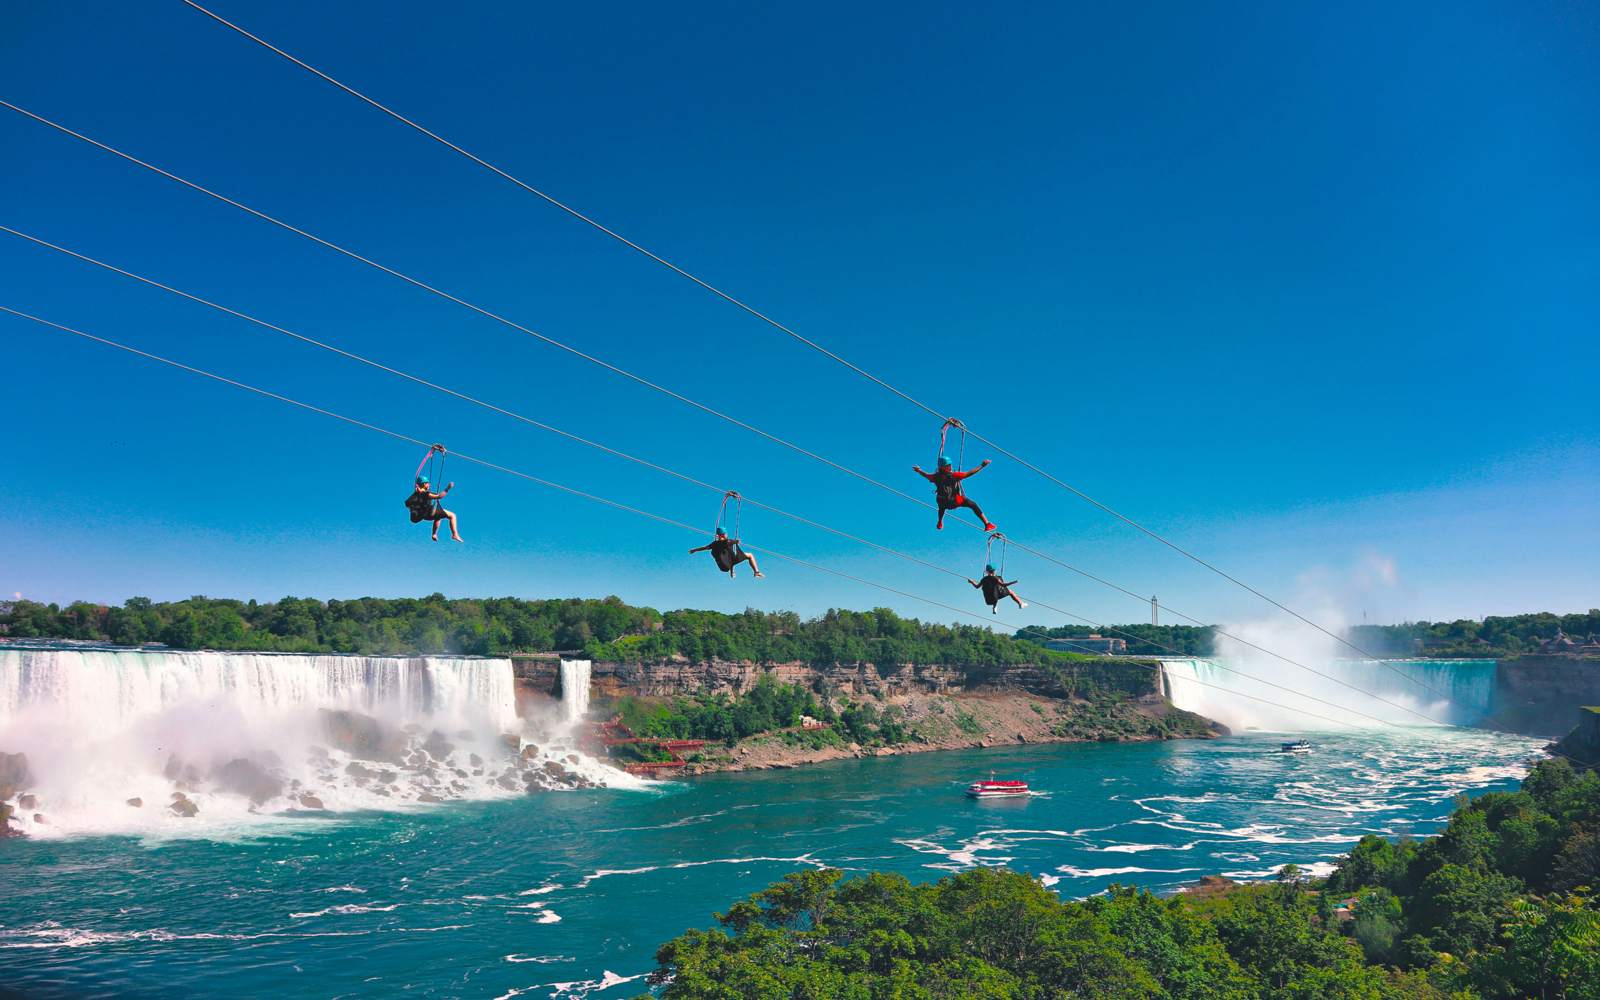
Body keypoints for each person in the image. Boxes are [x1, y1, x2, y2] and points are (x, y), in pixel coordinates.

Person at [912, 455, 996, 531]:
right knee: (973, 504)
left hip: (942, 501)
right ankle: (987, 524)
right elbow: (970, 473)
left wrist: (919, 470)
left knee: (942, 507)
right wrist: (981, 466)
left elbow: (926, 475)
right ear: (948, 466)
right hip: (954, 501)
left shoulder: (935, 476)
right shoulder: (953, 476)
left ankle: (940, 522)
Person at [689, 527, 763, 577]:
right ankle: (756, 572)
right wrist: (735, 542)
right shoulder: (724, 542)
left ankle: (732, 572)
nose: (726, 534)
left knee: (729, 553)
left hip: (725, 563)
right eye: (726, 533)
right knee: (750, 555)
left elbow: (704, 548)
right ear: (723, 534)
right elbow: (727, 543)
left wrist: (695, 550)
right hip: (729, 562)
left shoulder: (715, 544)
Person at [405, 476, 461, 542]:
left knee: (438, 516)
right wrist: (447, 488)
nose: (429, 485)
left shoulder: (417, 494)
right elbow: (439, 496)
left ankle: (434, 534)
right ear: (424, 484)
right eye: (428, 483)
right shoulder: (426, 494)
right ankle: (455, 534)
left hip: (424, 515)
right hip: (429, 513)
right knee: (452, 515)